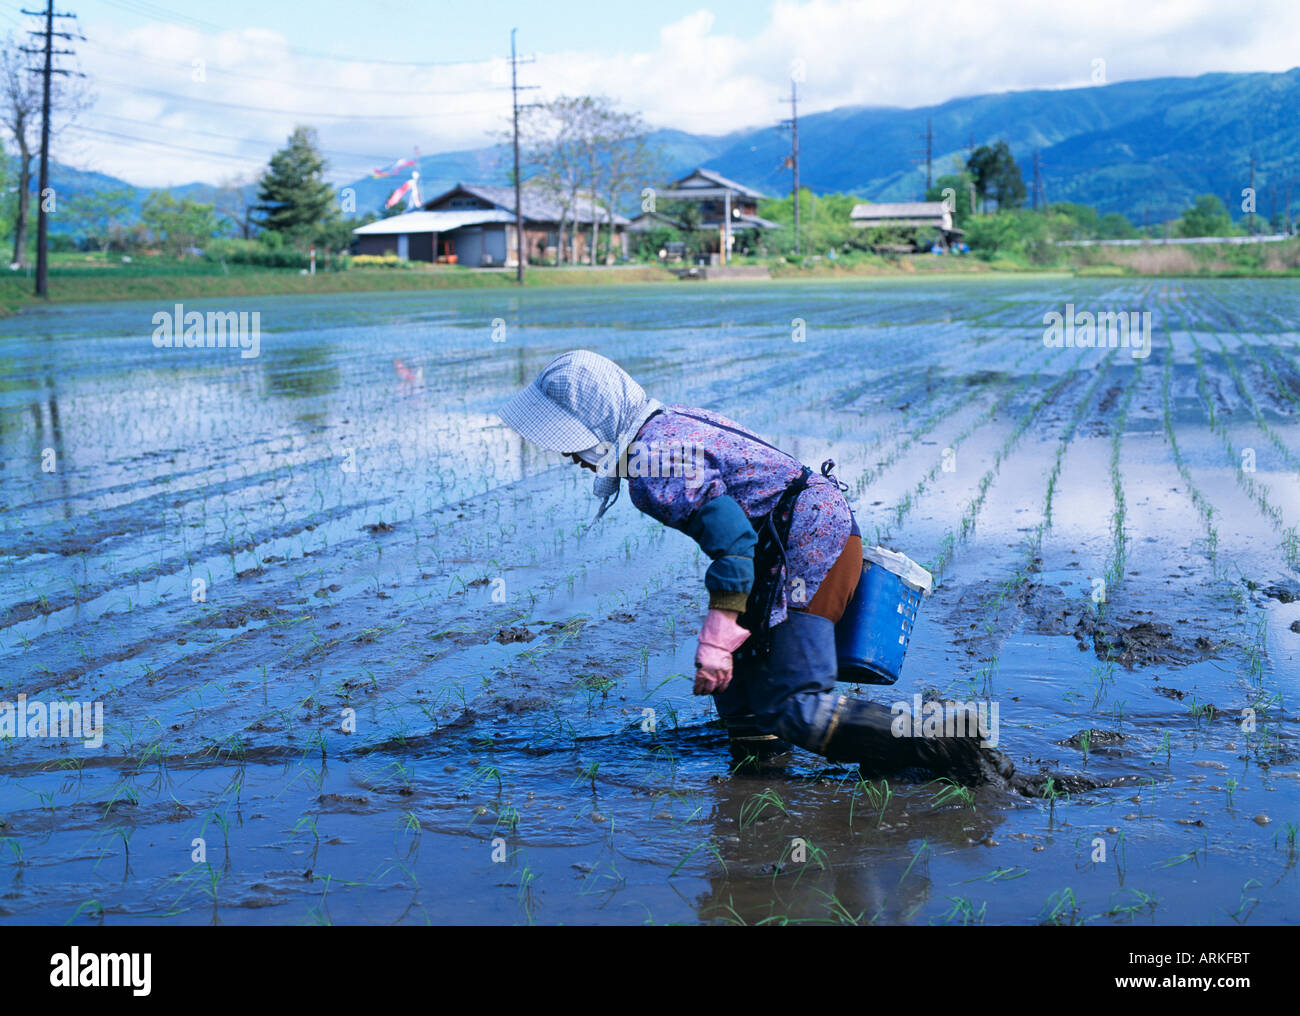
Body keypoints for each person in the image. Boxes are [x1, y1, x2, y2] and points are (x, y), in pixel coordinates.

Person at [498, 350, 1011, 784]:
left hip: (808, 550)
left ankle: (948, 737)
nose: (566, 455)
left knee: (795, 706)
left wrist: (718, 638)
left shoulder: (652, 463)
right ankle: (763, 785)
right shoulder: (670, 424)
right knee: (740, 694)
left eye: (566, 439)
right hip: (805, 540)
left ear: (592, 426)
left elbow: (735, 542)